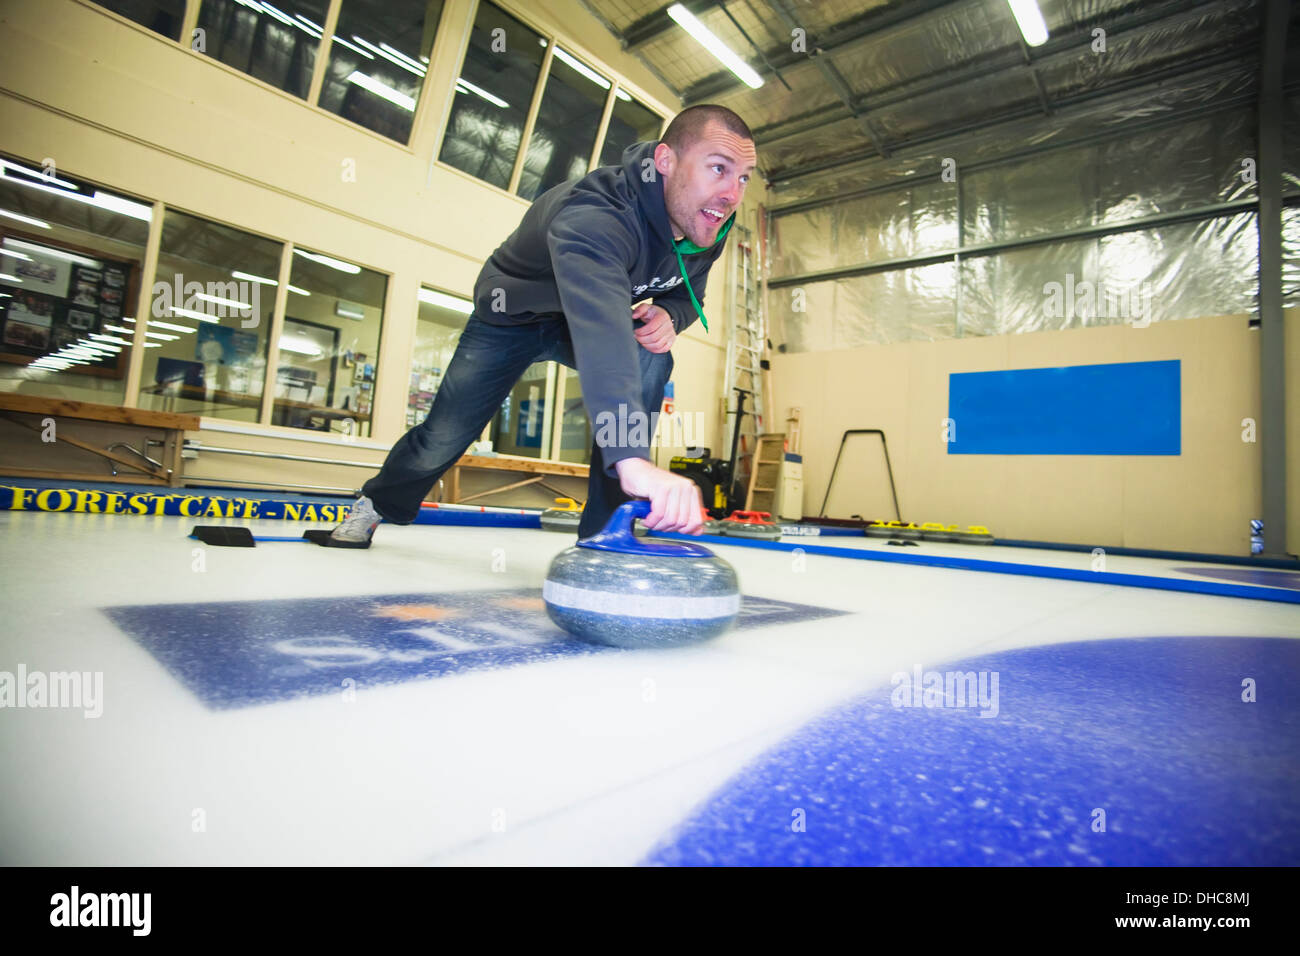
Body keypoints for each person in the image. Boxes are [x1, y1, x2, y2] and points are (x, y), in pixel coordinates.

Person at [328, 104, 758, 545]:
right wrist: (632, 457)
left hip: (593, 316)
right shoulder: (596, 214)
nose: (732, 194)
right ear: (666, 161)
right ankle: (377, 503)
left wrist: (673, 314)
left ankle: (604, 537)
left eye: (743, 177)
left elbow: (686, 290)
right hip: (514, 316)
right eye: (719, 169)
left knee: (652, 355)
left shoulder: (708, 218)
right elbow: (602, 332)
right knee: (444, 434)